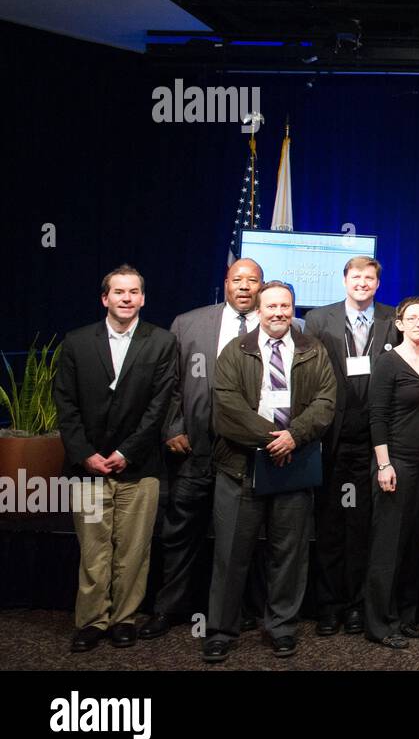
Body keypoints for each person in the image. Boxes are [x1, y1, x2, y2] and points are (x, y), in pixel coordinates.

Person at [204, 281, 337, 663]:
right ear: (259, 310)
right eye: (272, 306)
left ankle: (281, 628)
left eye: (286, 306)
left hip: (293, 469)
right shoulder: (236, 349)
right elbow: (226, 406)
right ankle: (220, 631)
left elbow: (326, 402)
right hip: (241, 468)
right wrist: (272, 439)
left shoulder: (313, 349)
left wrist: (293, 437)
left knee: (289, 555)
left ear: (293, 309)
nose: (279, 312)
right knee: (231, 555)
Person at [54, 265, 177, 653]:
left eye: (134, 292)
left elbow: (160, 406)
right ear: (104, 298)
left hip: (140, 467)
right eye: (119, 292)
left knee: (133, 550)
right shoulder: (76, 343)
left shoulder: (161, 342)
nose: (127, 298)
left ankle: (124, 619)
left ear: (143, 297)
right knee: (93, 551)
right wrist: (86, 454)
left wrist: (127, 452)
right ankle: (92, 621)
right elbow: (65, 405)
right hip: (87, 470)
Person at [142, 258, 263, 640]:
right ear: (225, 282)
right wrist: (173, 426)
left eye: (253, 280)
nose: (245, 287)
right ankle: (168, 608)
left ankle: (232, 611)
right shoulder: (188, 323)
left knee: (238, 536)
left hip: (246, 453)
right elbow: (169, 383)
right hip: (193, 449)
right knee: (180, 532)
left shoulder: (278, 326)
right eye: (238, 279)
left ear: (261, 286)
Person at [304, 257, 398, 636]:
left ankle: (357, 605)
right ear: (344, 280)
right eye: (356, 277)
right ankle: (328, 606)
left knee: (362, 527)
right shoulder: (318, 319)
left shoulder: (393, 318)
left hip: (373, 441)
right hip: (330, 439)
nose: (362, 283)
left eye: (369, 278)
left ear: (377, 283)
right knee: (329, 526)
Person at [364, 296, 419, 649]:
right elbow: (376, 417)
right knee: (388, 547)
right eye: (412, 318)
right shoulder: (388, 363)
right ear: (399, 323)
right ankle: (379, 623)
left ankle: (406, 616)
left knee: (412, 543)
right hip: (395, 463)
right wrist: (384, 464)